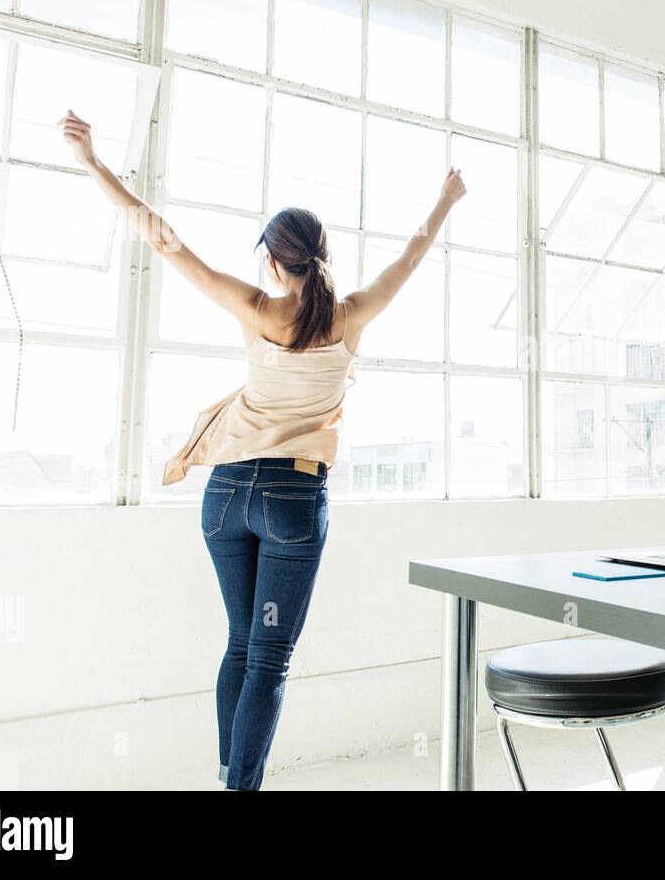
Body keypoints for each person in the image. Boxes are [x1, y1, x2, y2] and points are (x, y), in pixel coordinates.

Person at [61, 109, 466, 790]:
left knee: (242, 644)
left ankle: (231, 777)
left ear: (275, 261)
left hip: (224, 497)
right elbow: (412, 255)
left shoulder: (256, 307)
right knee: (268, 658)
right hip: (293, 500)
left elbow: (165, 241)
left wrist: (95, 165)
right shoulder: (352, 315)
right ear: (321, 255)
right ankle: (238, 786)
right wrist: (445, 200)